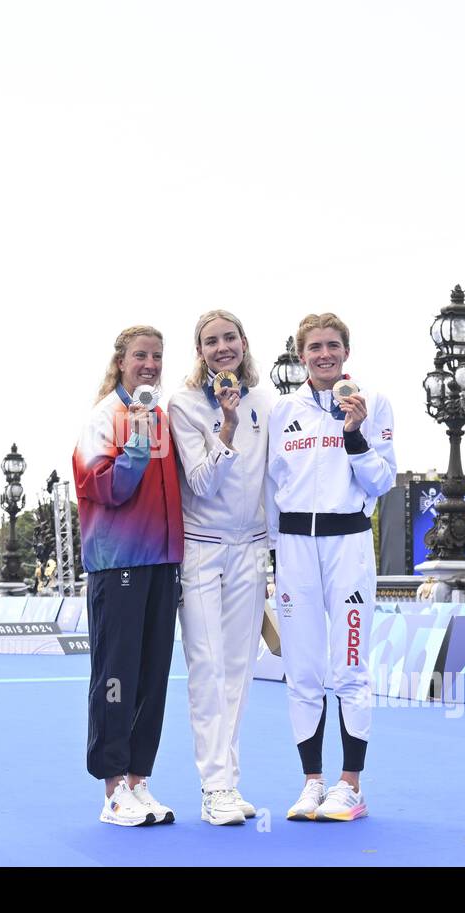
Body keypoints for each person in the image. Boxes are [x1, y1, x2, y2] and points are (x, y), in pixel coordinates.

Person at [266, 312, 396, 822]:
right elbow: (271, 487)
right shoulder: (281, 412)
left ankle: (351, 785)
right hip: (296, 545)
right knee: (301, 669)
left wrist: (355, 433)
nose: (325, 354)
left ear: (346, 351)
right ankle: (311, 782)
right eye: (315, 347)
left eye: (333, 346)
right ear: (302, 355)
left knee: (350, 666)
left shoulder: (373, 403)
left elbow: (382, 482)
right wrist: (270, 552)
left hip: (348, 543)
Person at [73, 325, 184, 827]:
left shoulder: (158, 416)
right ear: (120, 362)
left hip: (161, 563)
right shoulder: (105, 417)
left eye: (158, 356)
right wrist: (136, 447)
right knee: (116, 677)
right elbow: (104, 488)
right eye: (141, 355)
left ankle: (139, 781)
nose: (151, 364)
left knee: (152, 678)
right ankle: (113, 788)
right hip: (118, 564)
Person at [166, 310, 273, 826]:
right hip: (203, 549)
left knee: (238, 670)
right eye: (211, 342)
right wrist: (226, 426)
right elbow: (203, 484)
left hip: (251, 549)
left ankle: (227, 779)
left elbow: (272, 485)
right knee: (207, 669)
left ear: (244, 343)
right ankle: (215, 788)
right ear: (200, 352)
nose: (222, 347)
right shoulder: (183, 406)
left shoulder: (267, 403)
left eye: (229, 338)